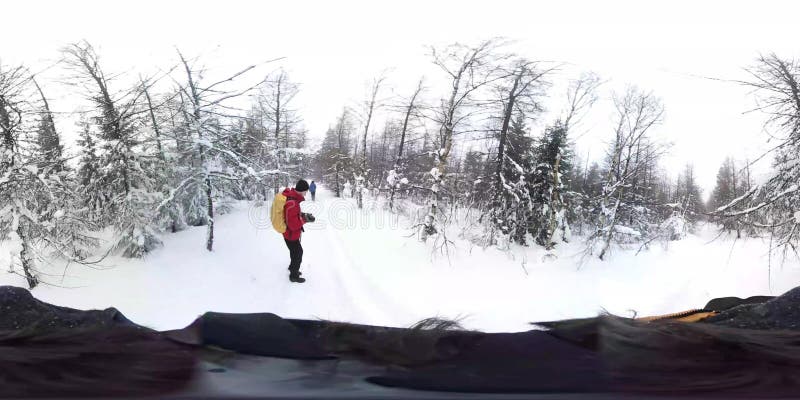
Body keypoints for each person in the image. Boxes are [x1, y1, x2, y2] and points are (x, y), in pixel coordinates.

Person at [282, 179, 315, 283]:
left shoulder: (293, 199)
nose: (306, 194)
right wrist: (305, 219)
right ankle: (294, 275)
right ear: (302, 190)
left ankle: (292, 268)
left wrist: (304, 215)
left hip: (289, 234)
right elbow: (293, 225)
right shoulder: (293, 203)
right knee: (298, 253)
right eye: (306, 191)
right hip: (291, 234)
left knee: (294, 252)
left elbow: (293, 216)